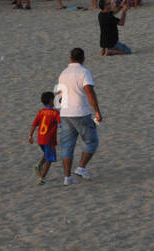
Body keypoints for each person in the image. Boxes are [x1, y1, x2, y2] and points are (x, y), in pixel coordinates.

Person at [55, 47, 101, 186]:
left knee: (67, 145)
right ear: (83, 59)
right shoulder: (84, 72)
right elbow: (90, 92)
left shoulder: (63, 73)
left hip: (65, 113)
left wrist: (59, 111)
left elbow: (59, 96)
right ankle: (81, 168)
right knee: (92, 141)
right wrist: (97, 111)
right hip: (80, 112)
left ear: (70, 58)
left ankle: (67, 177)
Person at [27, 91, 61, 185]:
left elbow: (34, 124)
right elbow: (61, 123)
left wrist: (30, 135)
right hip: (49, 139)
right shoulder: (55, 113)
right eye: (54, 99)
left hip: (41, 138)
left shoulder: (41, 112)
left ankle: (39, 165)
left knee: (48, 153)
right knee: (50, 158)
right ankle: (42, 178)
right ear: (51, 100)